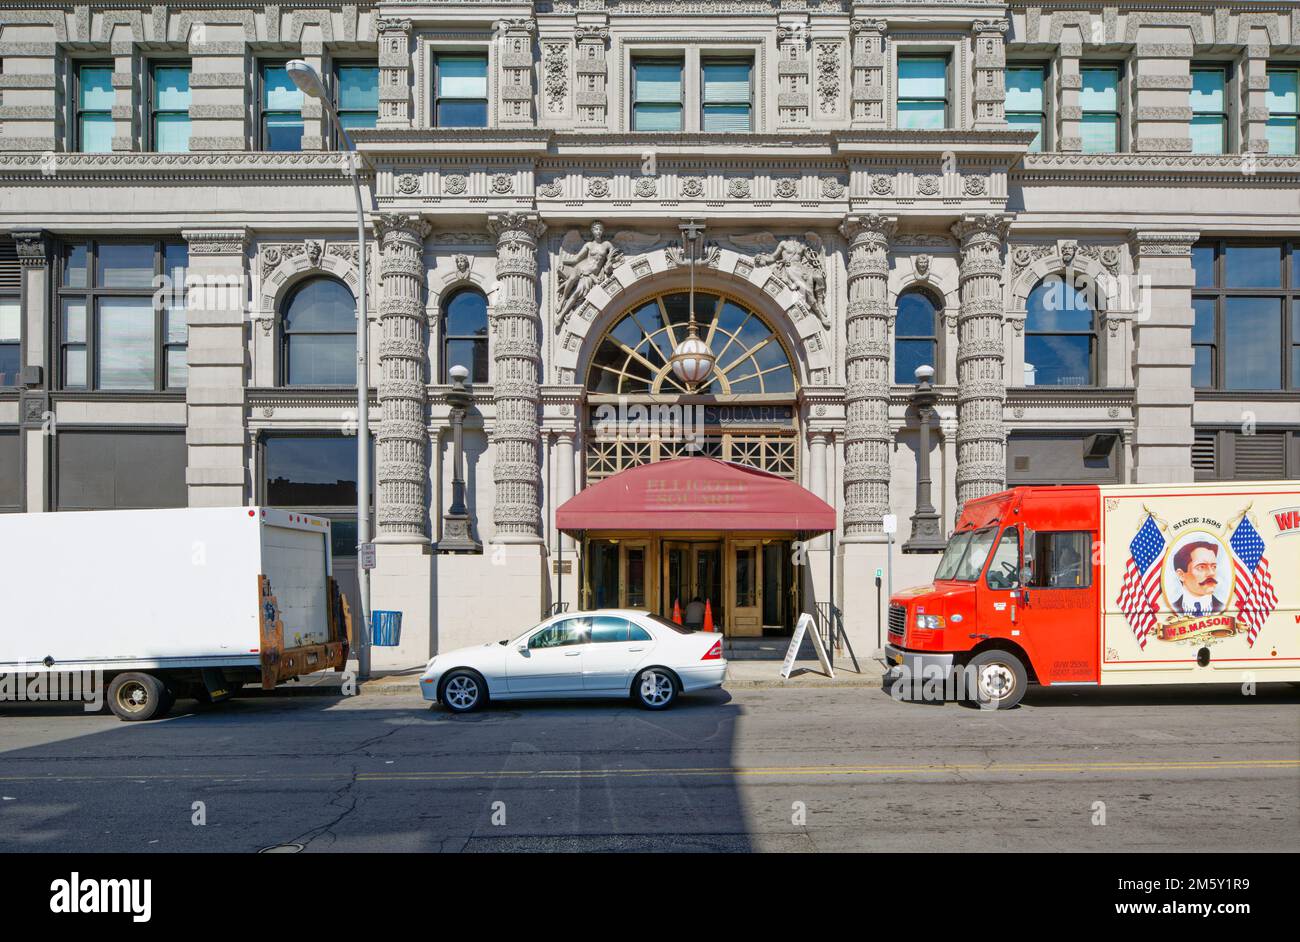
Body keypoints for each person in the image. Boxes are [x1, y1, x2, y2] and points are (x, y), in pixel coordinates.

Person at [1171, 540, 1224, 615]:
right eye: (1201, 567)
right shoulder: (1170, 609)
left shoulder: (1225, 608)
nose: (1211, 573)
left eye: (1213, 567)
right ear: (1181, 575)